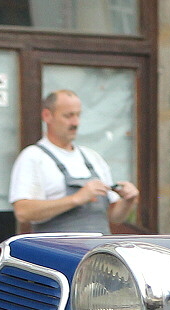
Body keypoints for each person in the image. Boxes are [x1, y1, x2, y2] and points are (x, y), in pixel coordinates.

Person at [9, 90, 140, 234]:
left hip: (97, 253)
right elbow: (23, 212)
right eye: (68, 116)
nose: (75, 123)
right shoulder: (33, 157)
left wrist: (128, 201)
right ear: (47, 115)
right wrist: (76, 199)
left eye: (78, 115)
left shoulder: (93, 157)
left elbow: (114, 217)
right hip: (58, 252)